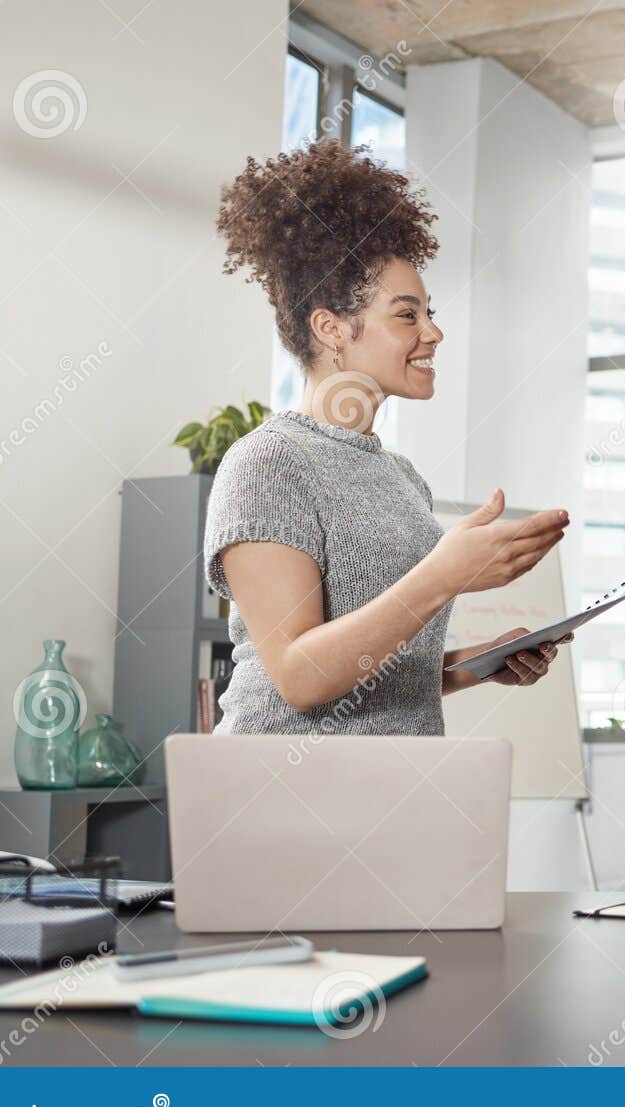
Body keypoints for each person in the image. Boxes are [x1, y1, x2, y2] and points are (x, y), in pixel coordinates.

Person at [204, 140, 569, 736]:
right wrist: (445, 572)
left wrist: (475, 667)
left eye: (430, 311)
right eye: (408, 315)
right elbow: (300, 677)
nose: (434, 332)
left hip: (395, 784)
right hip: (281, 793)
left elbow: (376, 671)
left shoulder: (402, 479)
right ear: (331, 328)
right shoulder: (265, 465)